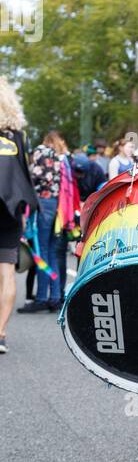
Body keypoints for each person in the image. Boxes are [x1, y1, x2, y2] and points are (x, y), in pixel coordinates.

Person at [18, 129, 79, 315]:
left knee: (41, 251)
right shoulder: (63, 157)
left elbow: (35, 177)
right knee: (52, 252)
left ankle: (42, 298)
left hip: (43, 204)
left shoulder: (41, 151)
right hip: (59, 207)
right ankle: (55, 297)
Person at [0, 77, 37, 353]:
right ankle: (0, 334)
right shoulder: (18, 137)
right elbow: (25, 177)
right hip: (10, 211)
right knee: (7, 273)